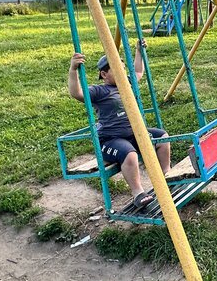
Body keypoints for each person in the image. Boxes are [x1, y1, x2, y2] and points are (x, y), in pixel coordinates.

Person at [67, 40, 171, 210]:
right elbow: (77, 93)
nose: (122, 73)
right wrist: (73, 70)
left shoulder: (127, 83)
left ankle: (166, 175)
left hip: (133, 135)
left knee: (162, 137)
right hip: (110, 140)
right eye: (117, 70)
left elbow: (138, 71)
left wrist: (138, 51)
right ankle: (138, 193)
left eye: (123, 69)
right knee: (129, 154)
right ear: (104, 74)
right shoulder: (100, 91)